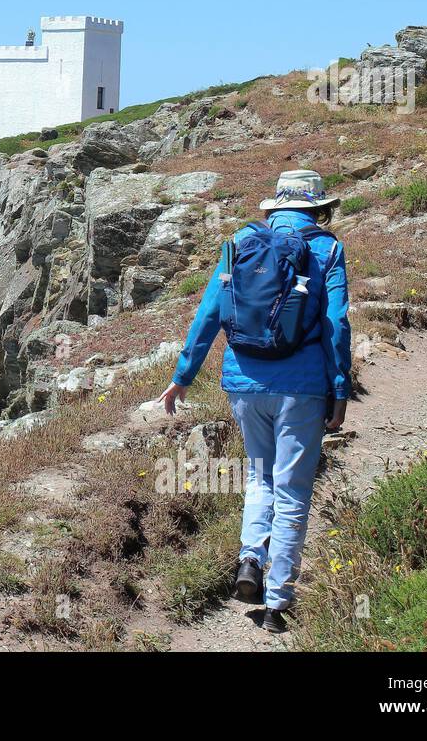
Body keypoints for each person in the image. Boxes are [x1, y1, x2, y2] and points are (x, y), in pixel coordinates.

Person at [158, 169, 352, 633]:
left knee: (260, 477)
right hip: (301, 386)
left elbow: (209, 311)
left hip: (242, 382)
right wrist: (340, 389)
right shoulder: (326, 249)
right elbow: (336, 325)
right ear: (317, 208)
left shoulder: (241, 242)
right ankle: (278, 600)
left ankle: (250, 558)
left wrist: (183, 376)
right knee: (292, 490)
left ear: (275, 207)